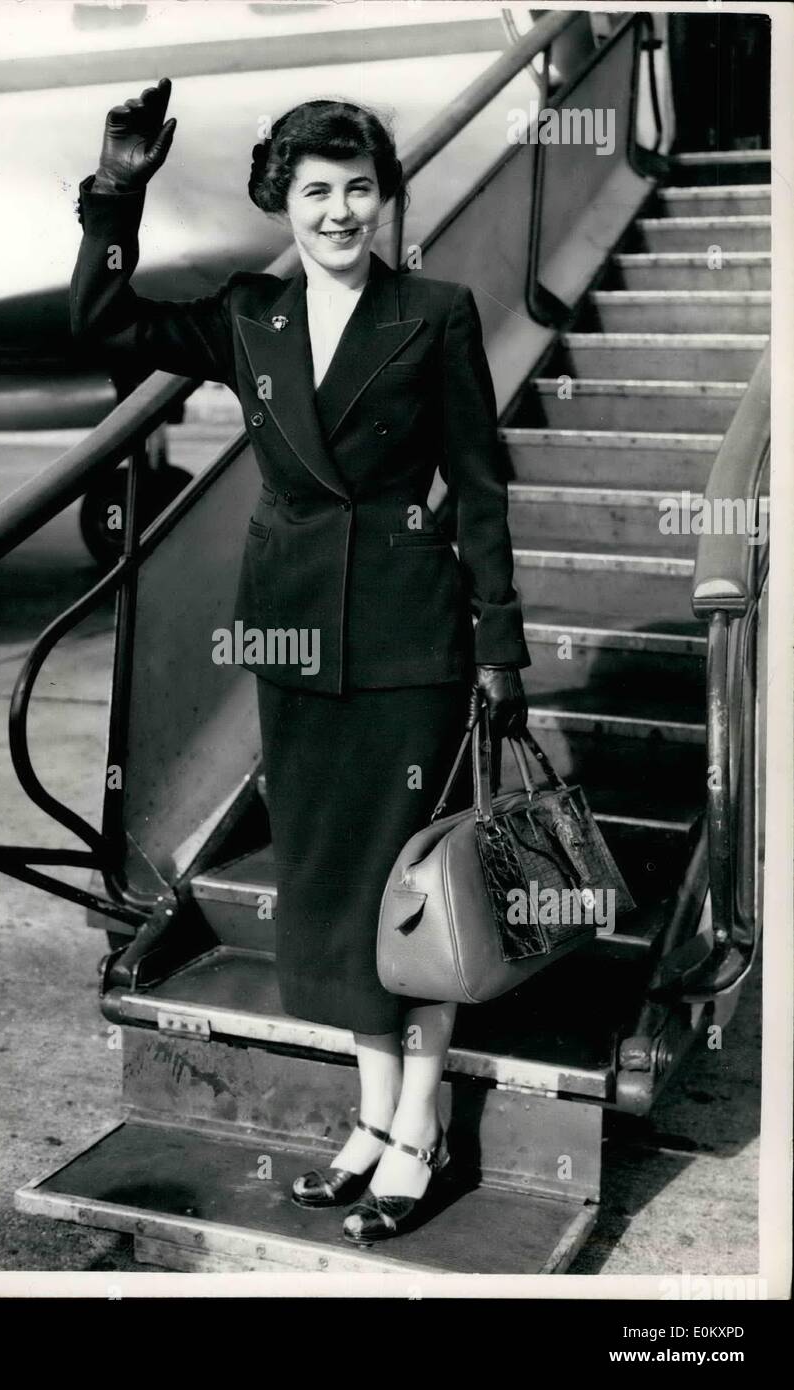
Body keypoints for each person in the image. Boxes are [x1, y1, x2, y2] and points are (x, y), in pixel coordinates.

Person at [70, 78, 530, 1246]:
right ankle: (370, 1123)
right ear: (281, 199)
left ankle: (417, 1129)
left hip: (407, 641)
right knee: (331, 898)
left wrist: (500, 647)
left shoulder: (435, 311)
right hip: (291, 637)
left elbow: (480, 490)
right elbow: (104, 321)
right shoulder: (248, 316)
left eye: (360, 189)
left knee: (407, 896)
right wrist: (118, 191)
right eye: (316, 191)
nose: (339, 212)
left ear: (385, 199)